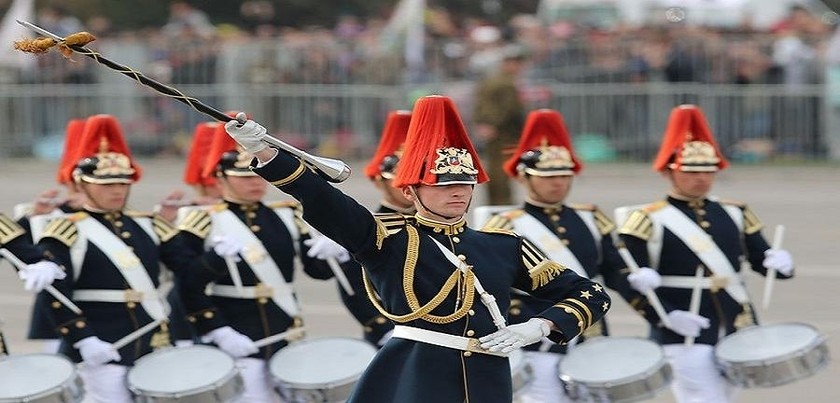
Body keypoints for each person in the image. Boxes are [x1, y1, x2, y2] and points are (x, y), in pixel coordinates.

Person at [224, 95, 611, 403]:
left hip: (487, 379)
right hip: (415, 372)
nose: (458, 192)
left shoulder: (503, 245)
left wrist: (539, 326)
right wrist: (267, 154)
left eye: (465, 183)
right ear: (410, 190)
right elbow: (327, 202)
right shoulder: (386, 238)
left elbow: (591, 294)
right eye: (442, 185)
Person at [615, 104, 795, 403]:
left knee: (725, 396)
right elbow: (624, 275)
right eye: (692, 170)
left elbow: (762, 259)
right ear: (670, 172)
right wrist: (665, 314)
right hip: (682, 323)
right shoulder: (646, 219)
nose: (701, 178)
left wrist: (779, 262)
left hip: (737, 320)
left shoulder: (735, 212)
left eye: (708, 170)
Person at [480, 109, 633, 402]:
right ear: (524, 177)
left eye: (564, 175)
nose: (558, 183)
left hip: (591, 330)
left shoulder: (591, 217)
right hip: (535, 336)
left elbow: (614, 271)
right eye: (549, 176)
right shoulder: (505, 225)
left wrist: (641, 288)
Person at [36, 114, 191, 403]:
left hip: (151, 339)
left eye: (122, 183)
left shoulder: (147, 223)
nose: (118, 190)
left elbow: (189, 271)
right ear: (82, 185)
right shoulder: (66, 229)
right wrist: (83, 338)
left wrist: (216, 255)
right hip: (102, 343)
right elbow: (55, 293)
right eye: (106, 184)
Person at [176, 123, 335, 403]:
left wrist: (337, 255)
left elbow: (317, 272)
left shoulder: (287, 215)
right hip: (237, 332)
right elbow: (187, 283)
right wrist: (217, 330)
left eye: (258, 177)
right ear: (221, 177)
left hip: (286, 331)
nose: (256, 183)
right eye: (245, 178)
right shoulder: (202, 220)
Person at [306, 110, 414, 347]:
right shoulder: (367, 226)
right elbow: (355, 289)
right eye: (400, 180)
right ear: (379, 180)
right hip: (392, 335)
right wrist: (382, 327)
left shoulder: (434, 223)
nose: (409, 187)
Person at [17, 117, 87, 354]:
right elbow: (16, 249)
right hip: (61, 314)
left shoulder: (127, 219)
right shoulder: (54, 213)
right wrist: (34, 218)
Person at [473, 45, 527, 205]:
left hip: (493, 130)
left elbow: (480, 104)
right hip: (504, 132)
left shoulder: (492, 80)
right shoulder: (506, 84)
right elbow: (508, 109)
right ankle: (503, 203)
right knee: (502, 169)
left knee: (494, 167)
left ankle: (495, 201)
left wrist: (483, 124)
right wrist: (493, 125)